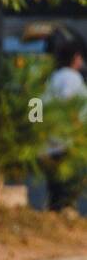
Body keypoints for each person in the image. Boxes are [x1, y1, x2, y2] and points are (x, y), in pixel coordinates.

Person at [43, 41, 87, 213]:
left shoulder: (52, 77)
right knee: (67, 184)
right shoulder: (72, 78)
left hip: (51, 140)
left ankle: (56, 211)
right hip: (68, 140)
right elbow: (71, 104)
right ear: (76, 58)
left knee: (55, 185)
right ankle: (64, 212)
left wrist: (36, 127)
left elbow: (35, 102)